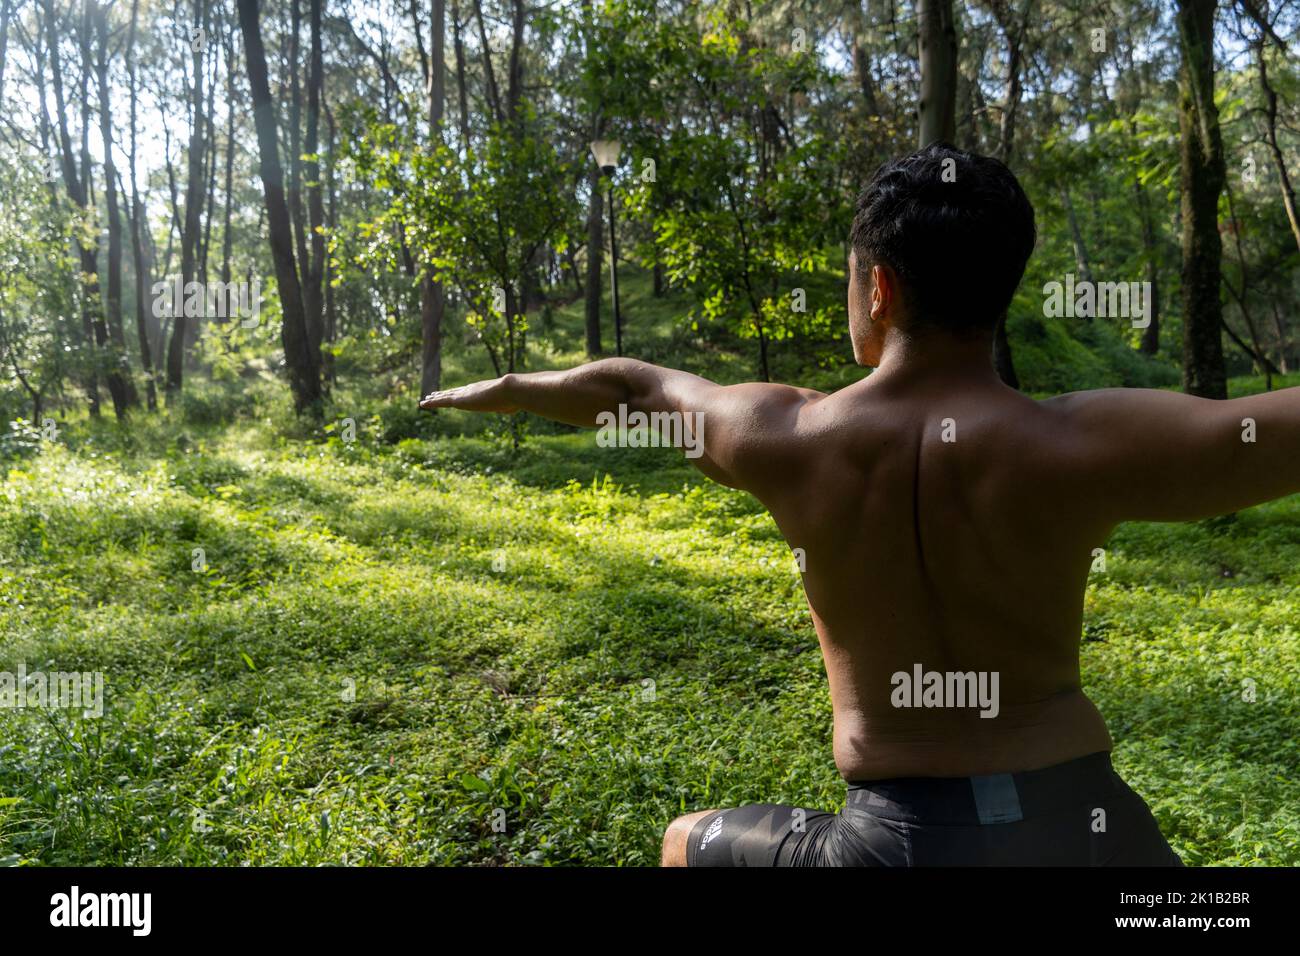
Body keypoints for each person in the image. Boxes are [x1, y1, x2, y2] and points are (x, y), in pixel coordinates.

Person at [420, 144, 1295, 866]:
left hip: (896, 843)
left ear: (878, 290)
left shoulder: (786, 436)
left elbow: (635, 389)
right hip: (1095, 834)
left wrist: (502, 386)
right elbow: (1259, 432)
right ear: (1001, 291)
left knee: (686, 843)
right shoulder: (1081, 443)